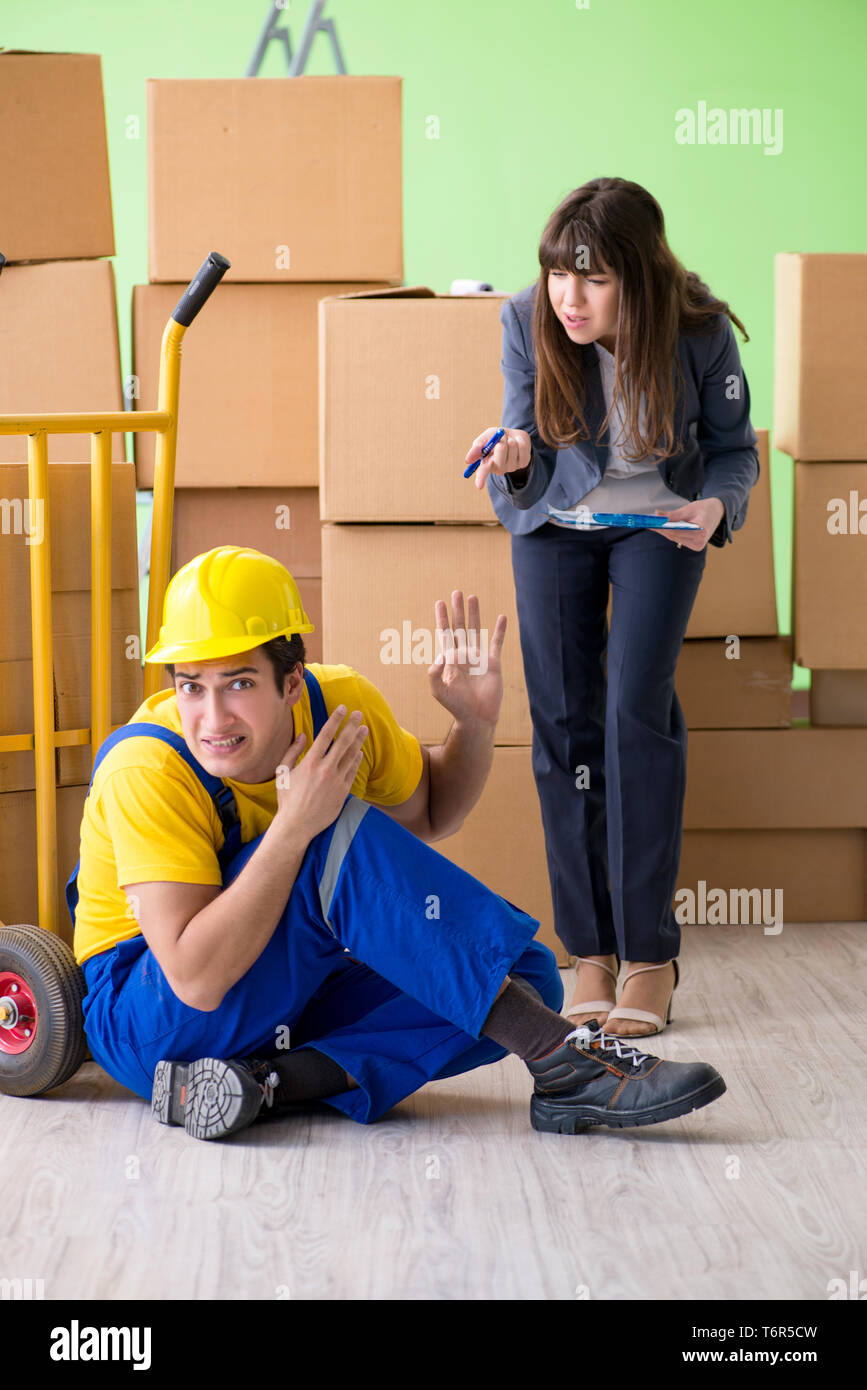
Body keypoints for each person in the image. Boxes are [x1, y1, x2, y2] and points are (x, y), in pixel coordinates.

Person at [69, 545, 725, 1140]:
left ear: (291, 681)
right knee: (329, 839)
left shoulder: (338, 708)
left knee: (515, 971)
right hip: (150, 1012)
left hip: (284, 988)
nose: (212, 720)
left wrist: (472, 724)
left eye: (239, 684)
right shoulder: (148, 770)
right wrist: (297, 825)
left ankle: (264, 1086)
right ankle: (566, 1064)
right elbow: (196, 978)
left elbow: (433, 812)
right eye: (192, 688)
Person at [466, 177, 759, 1038]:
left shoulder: (698, 330)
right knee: (562, 720)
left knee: (635, 711)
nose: (569, 297)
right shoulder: (526, 320)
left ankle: (649, 954)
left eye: (591, 280)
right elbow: (525, 444)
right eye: (559, 276)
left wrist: (714, 507)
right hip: (557, 522)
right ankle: (588, 950)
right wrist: (515, 452)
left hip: (658, 525)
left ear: (637, 274)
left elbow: (732, 452)